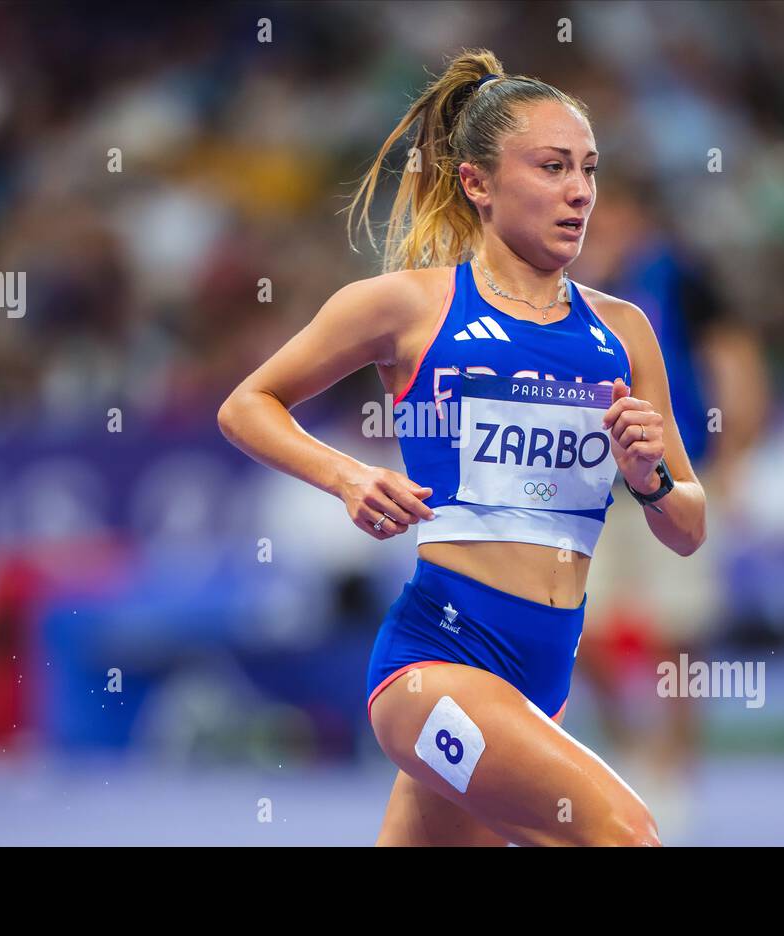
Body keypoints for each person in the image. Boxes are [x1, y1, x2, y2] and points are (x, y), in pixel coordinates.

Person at [218, 49, 706, 846]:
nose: (579, 191)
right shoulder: (408, 307)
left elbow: (689, 527)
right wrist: (346, 477)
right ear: (478, 183)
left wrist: (648, 479)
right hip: (435, 664)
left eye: (588, 169)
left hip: (538, 686)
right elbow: (247, 405)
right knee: (625, 834)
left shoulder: (624, 331)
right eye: (551, 168)